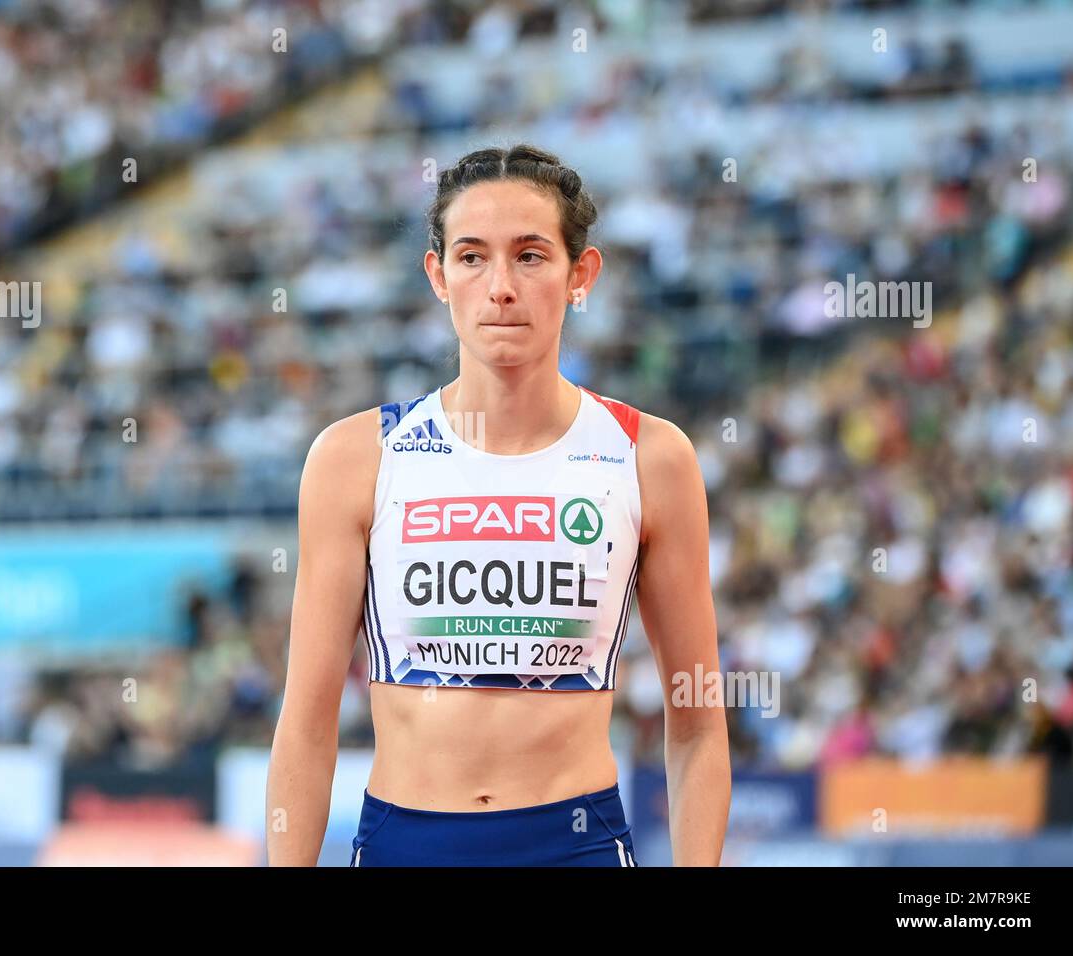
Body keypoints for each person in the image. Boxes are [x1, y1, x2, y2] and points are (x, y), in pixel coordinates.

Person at [266, 144, 730, 866]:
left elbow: (698, 721)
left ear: (582, 275)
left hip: (574, 846)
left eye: (532, 256)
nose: (501, 287)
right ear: (438, 275)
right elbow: (306, 718)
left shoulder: (649, 456)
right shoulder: (358, 458)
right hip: (406, 843)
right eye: (473, 257)